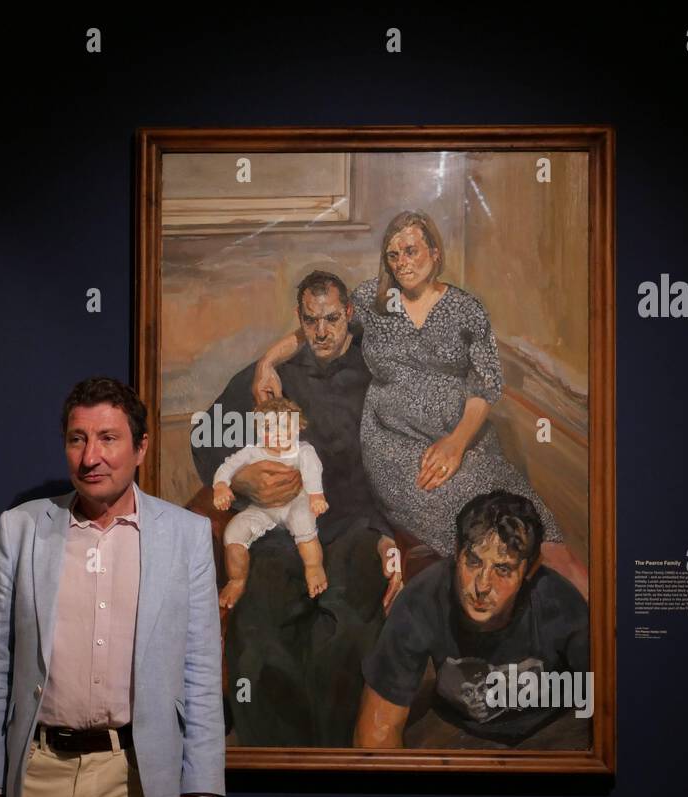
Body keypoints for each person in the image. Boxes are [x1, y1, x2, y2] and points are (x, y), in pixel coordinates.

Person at [252, 211, 588, 599]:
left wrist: (457, 443)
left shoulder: (466, 310)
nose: (402, 263)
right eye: (393, 255)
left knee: (542, 533)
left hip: (465, 443)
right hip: (395, 449)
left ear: (434, 252)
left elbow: (485, 385)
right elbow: (315, 326)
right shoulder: (372, 301)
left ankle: (594, 633)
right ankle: (518, 613)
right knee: (489, 537)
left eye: (410, 251)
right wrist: (266, 363)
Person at [0, 377, 225, 797]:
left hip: (135, 776)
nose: (90, 458)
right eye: (77, 439)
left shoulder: (186, 536)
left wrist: (202, 784)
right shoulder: (20, 529)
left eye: (108, 438)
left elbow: (202, 669)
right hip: (35, 772)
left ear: (140, 446)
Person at [191, 271, 402, 747]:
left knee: (346, 631)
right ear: (299, 321)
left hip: (353, 525)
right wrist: (240, 478)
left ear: (348, 314)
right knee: (260, 626)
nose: (322, 332)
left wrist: (389, 534)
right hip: (278, 526)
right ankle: (275, 761)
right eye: (311, 321)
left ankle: (334, 763)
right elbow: (204, 436)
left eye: (331, 319)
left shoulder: (379, 366)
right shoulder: (272, 376)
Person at [354, 491, 589, 749]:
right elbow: (378, 730)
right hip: (460, 732)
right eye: (474, 561)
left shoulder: (561, 604)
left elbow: (608, 706)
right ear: (457, 552)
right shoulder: (421, 599)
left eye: (503, 569)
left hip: (554, 730)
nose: (482, 585)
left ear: (530, 569)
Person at [213, 396, 328, 604]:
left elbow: (312, 469)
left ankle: (313, 567)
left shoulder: (302, 451)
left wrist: (316, 495)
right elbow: (228, 466)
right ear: (257, 430)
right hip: (262, 508)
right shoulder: (252, 452)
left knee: (303, 519)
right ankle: (237, 580)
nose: (276, 435)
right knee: (233, 533)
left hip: (295, 503)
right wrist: (221, 486)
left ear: (298, 428)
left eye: (284, 427)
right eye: (268, 428)